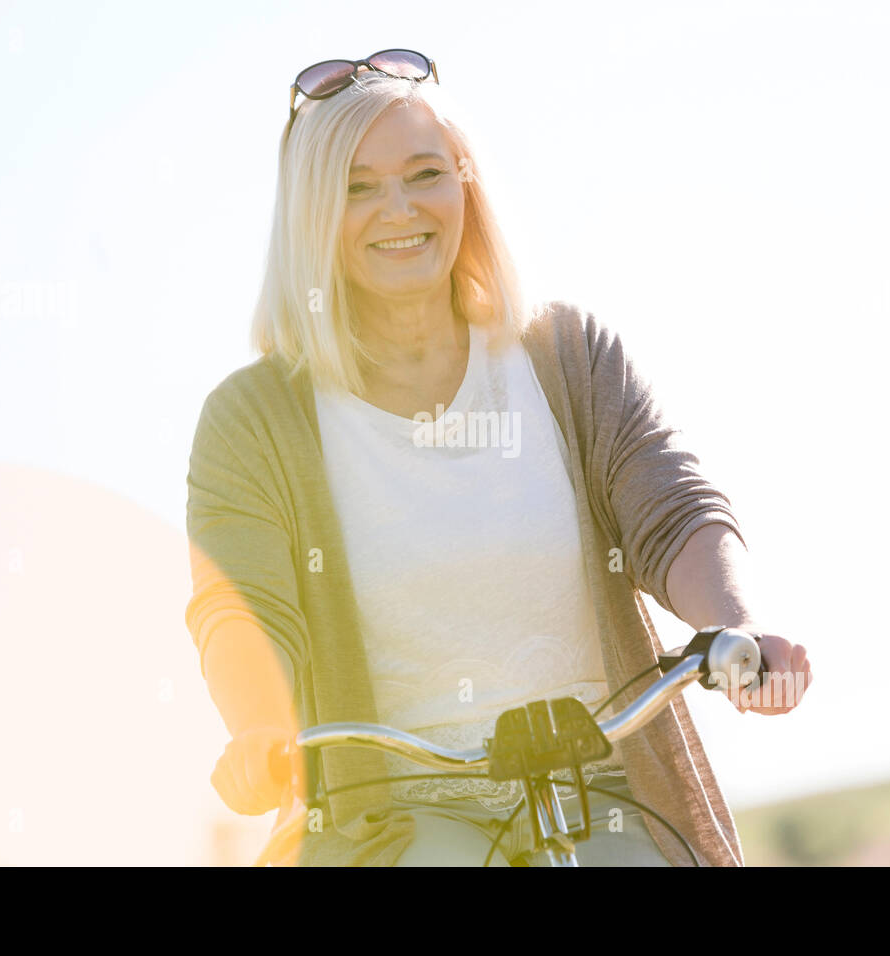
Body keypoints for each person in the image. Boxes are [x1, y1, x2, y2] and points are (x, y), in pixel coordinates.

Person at [184, 50, 813, 866]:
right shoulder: (254, 421)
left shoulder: (565, 357)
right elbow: (241, 610)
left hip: (602, 789)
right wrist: (259, 729)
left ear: (465, 185)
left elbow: (674, 508)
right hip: (395, 817)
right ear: (310, 218)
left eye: (425, 174)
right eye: (358, 188)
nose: (400, 208)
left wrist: (734, 629)